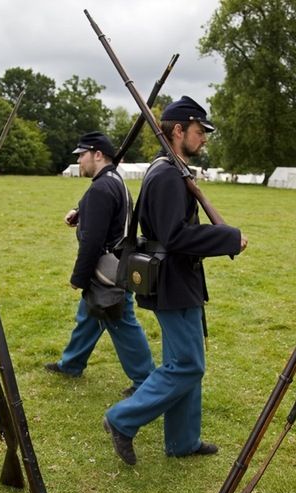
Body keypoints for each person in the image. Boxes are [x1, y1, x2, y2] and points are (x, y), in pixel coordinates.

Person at [101, 96, 248, 465]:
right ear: (178, 130)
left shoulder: (171, 169)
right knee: (187, 366)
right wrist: (228, 238)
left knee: (185, 361)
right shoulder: (167, 174)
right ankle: (122, 419)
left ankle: (182, 440)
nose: (204, 139)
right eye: (200, 131)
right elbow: (175, 236)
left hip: (179, 280)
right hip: (173, 282)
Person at [44, 132, 155, 397]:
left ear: (97, 155)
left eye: (82, 155)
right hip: (117, 264)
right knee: (88, 317)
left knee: (121, 322)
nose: (79, 160)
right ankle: (71, 364)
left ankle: (146, 380)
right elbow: (101, 210)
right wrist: (80, 212)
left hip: (106, 270)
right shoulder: (113, 180)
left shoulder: (101, 188)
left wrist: (78, 278)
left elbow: (92, 241)